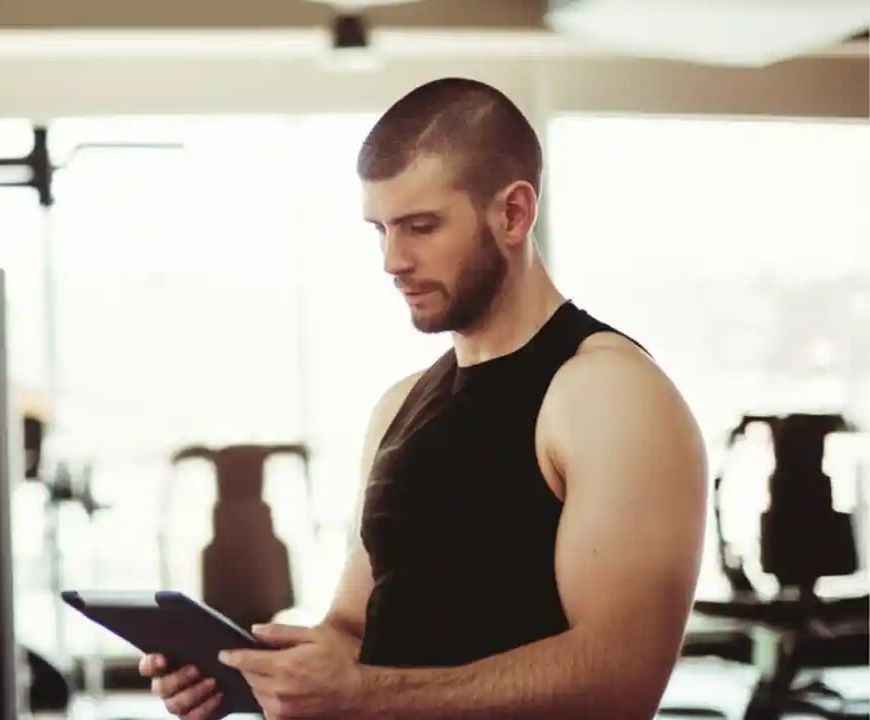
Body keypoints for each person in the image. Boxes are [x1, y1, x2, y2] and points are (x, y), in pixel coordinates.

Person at [139, 77, 708, 719]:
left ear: (514, 214)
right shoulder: (400, 406)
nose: (392, 259)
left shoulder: (608, 392)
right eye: (379, 229)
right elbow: (352, 631)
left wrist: (365, 697)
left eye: (421, 226)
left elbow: (619, 679)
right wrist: (245, 672)